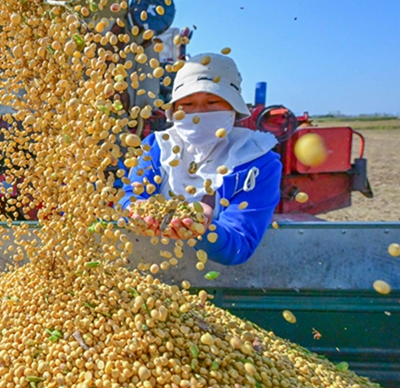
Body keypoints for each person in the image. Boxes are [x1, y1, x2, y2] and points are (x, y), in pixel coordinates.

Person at [120, 53, 282, 265]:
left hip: (218, 278)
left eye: (212, 101)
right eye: (187, 104)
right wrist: (133, 209)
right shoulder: (158, 145)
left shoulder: (257, 162)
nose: (198, 114)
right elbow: (131, 195)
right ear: (174, 110)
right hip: (149, 266)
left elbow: (239, 244)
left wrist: (203, 228)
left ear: (232, 108)